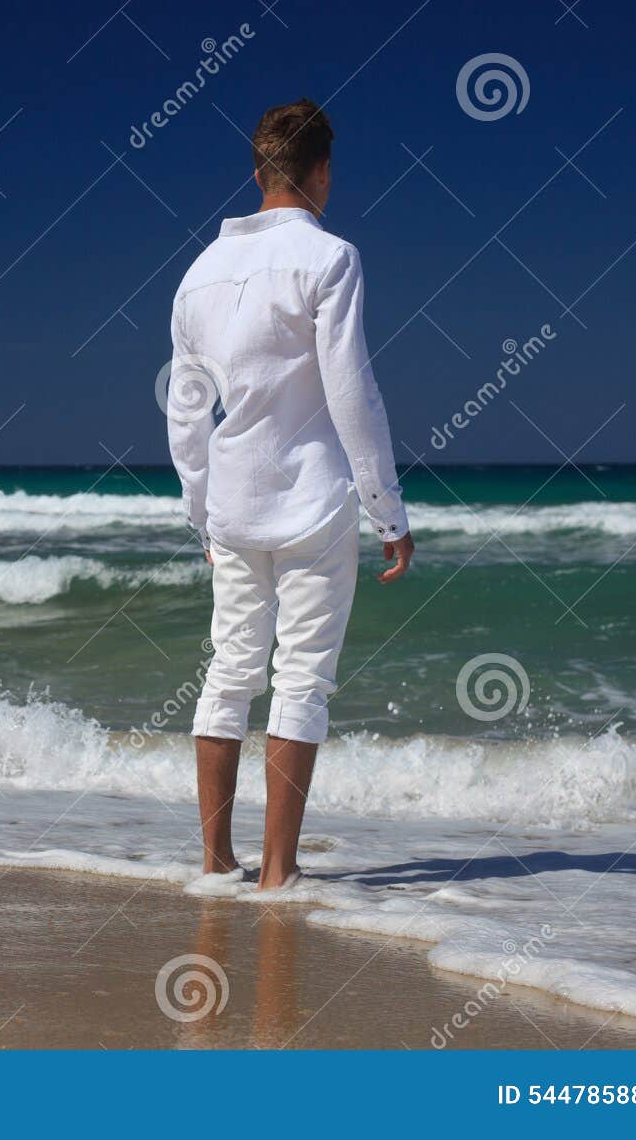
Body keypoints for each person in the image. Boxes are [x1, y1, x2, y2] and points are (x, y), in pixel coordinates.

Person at [166, 98, 415, 892]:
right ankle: (278, 872)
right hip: (311, 502)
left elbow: (185, 408)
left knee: (229, 671)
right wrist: (388, 511)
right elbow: (352, 391)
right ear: (321, 171)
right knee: (300, 679)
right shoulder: (331, 258)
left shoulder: (198, 273)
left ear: (257, 171)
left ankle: (214, 863)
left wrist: (198, 508)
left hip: (233, 505)